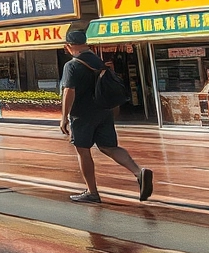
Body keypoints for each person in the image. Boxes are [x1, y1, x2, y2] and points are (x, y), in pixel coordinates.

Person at [60, 29, 153, 204]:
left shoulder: (71, 65)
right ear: (85, 43)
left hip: (82, 115)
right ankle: (138, 172)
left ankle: (92, 192)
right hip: (104, 111)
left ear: (69, 46)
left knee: (83, 150)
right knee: (109, 146)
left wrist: (64, 116)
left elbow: (69, 91)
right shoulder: (98, 61)